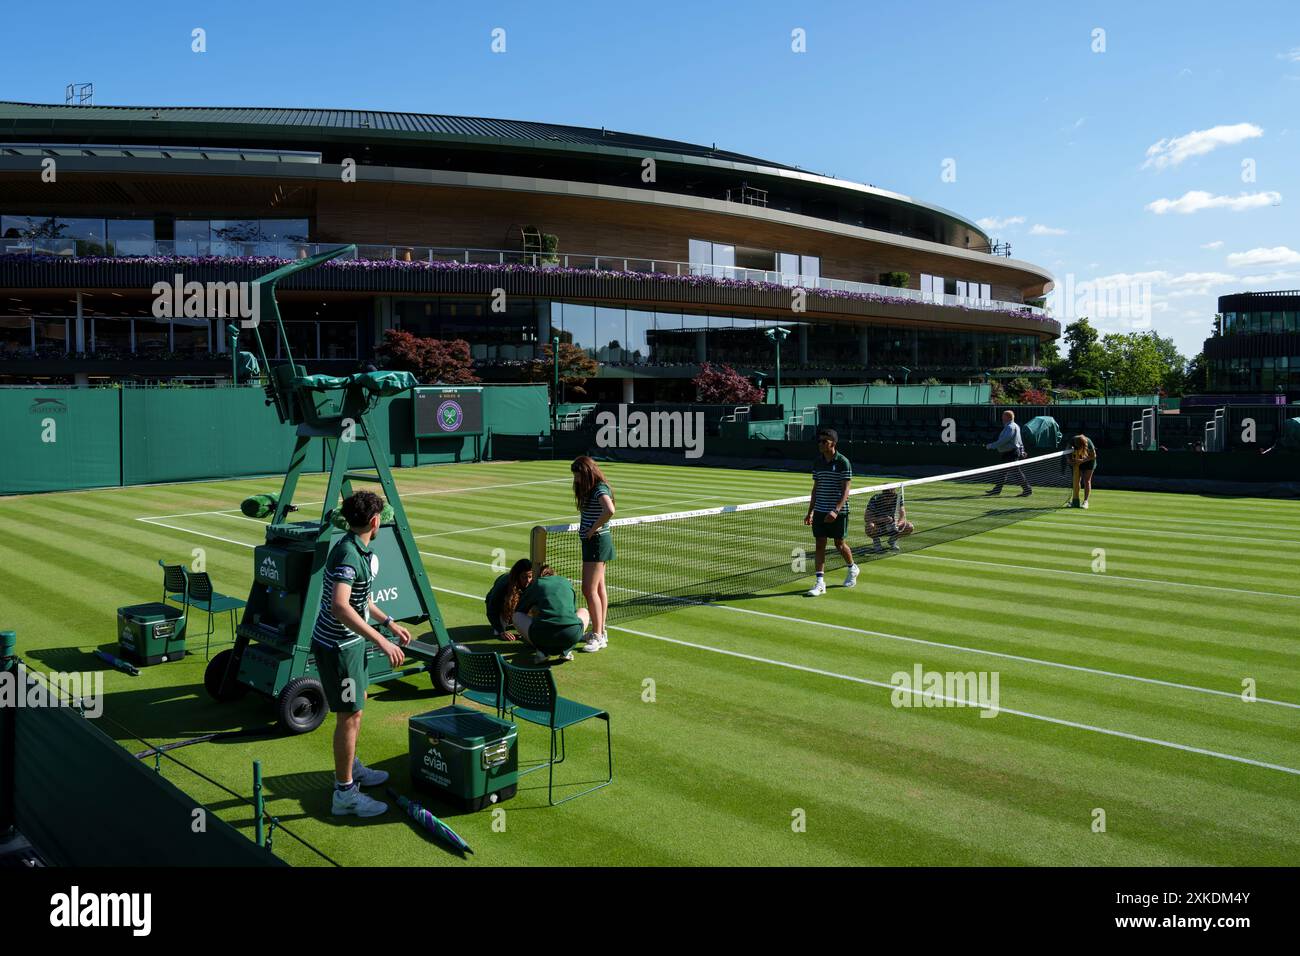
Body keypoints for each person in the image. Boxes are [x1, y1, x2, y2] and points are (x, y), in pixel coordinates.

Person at [311, 490, 412, 818]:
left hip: (349, 645)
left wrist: (389, 623)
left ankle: (352, 768)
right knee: (349, 715)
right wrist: (382, 642)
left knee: (357, 706)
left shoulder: (357, 548)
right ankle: (344, 794)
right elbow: (340, 606)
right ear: (374, 521)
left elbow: (360, 599)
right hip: (339, 648)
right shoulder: (349, 556)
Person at [804, 428, 859, 596]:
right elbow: (816, 488)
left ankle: (852, 568)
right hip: (820, 510)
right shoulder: (817, 462)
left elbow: (846, 491)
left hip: (838, 512)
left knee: (839, 544)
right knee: (820, 544)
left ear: (833, 443)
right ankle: (820, 583)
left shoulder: (843, 462)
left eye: (824, 441)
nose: (820, 444)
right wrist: (810, 512)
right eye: (819, 441)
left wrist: (835, 510)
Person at [572, 455, 615, 652]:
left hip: (596, 543)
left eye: (578, 475)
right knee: (598, 588)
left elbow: (609, 510)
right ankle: (601, 632)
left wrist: (592, 529)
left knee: (588, 590)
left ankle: (597, 636)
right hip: (594, 543)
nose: (576, 480)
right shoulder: (592, 489)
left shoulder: (599, 488)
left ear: (587, 472)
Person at [513, 564, 591, 664]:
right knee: (584, 611)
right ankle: (567, 650)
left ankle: (542, 651)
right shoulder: (566, 582)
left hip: (543, 636)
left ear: (540, 576)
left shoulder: (538, 583)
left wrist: (534, 611)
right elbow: (572, 613)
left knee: (516, 616)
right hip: (571, 635)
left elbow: (520, 610)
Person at [985, 410, 1032, 497]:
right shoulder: (1015, 426)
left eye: (1003, 416)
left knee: (1016, 472)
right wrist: (1022, 450)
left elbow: (1003, 440)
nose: (1002, 418)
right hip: (1009, 453)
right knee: (1003, 472)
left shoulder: (1010, 427)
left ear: (1008, 417)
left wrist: (991, 446)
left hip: (1011, 453)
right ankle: (997, 490)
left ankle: (1027, 490)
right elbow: (1019, 441)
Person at [485, 558, 533, 639]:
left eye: (530, 577)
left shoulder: (533, 582)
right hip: (501, 607)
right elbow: (491, 609)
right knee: (498, 631)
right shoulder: (503, 584)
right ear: (517, 576)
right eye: (524, 577)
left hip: (518, 606)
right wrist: (501, 631)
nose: (528, 581)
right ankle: (506, 620)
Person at [865, 486, 915, 552]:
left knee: (909, 527)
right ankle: (876, 542)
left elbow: (903, 516)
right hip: (878, 527)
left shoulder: (898, 498)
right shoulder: (875, 499)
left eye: (890, 497)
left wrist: (898, 525)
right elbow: (867, 517)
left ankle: (892, 540)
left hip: (893, 526)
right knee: (870, 526)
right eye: (886, 497)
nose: (888, 500)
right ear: (883, 494)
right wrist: (882, 519)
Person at [1069, 434, 1097, 509]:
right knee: (1076, 480)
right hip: (1077, 461)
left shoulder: (1089, 443)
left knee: (1087, 481)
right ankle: (1074, 499)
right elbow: (1066, 452)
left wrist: (1082, 460)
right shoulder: (1072, 441)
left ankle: (1085, 501)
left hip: (1089, 461)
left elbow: (1093, 455)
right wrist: (1069, 460)